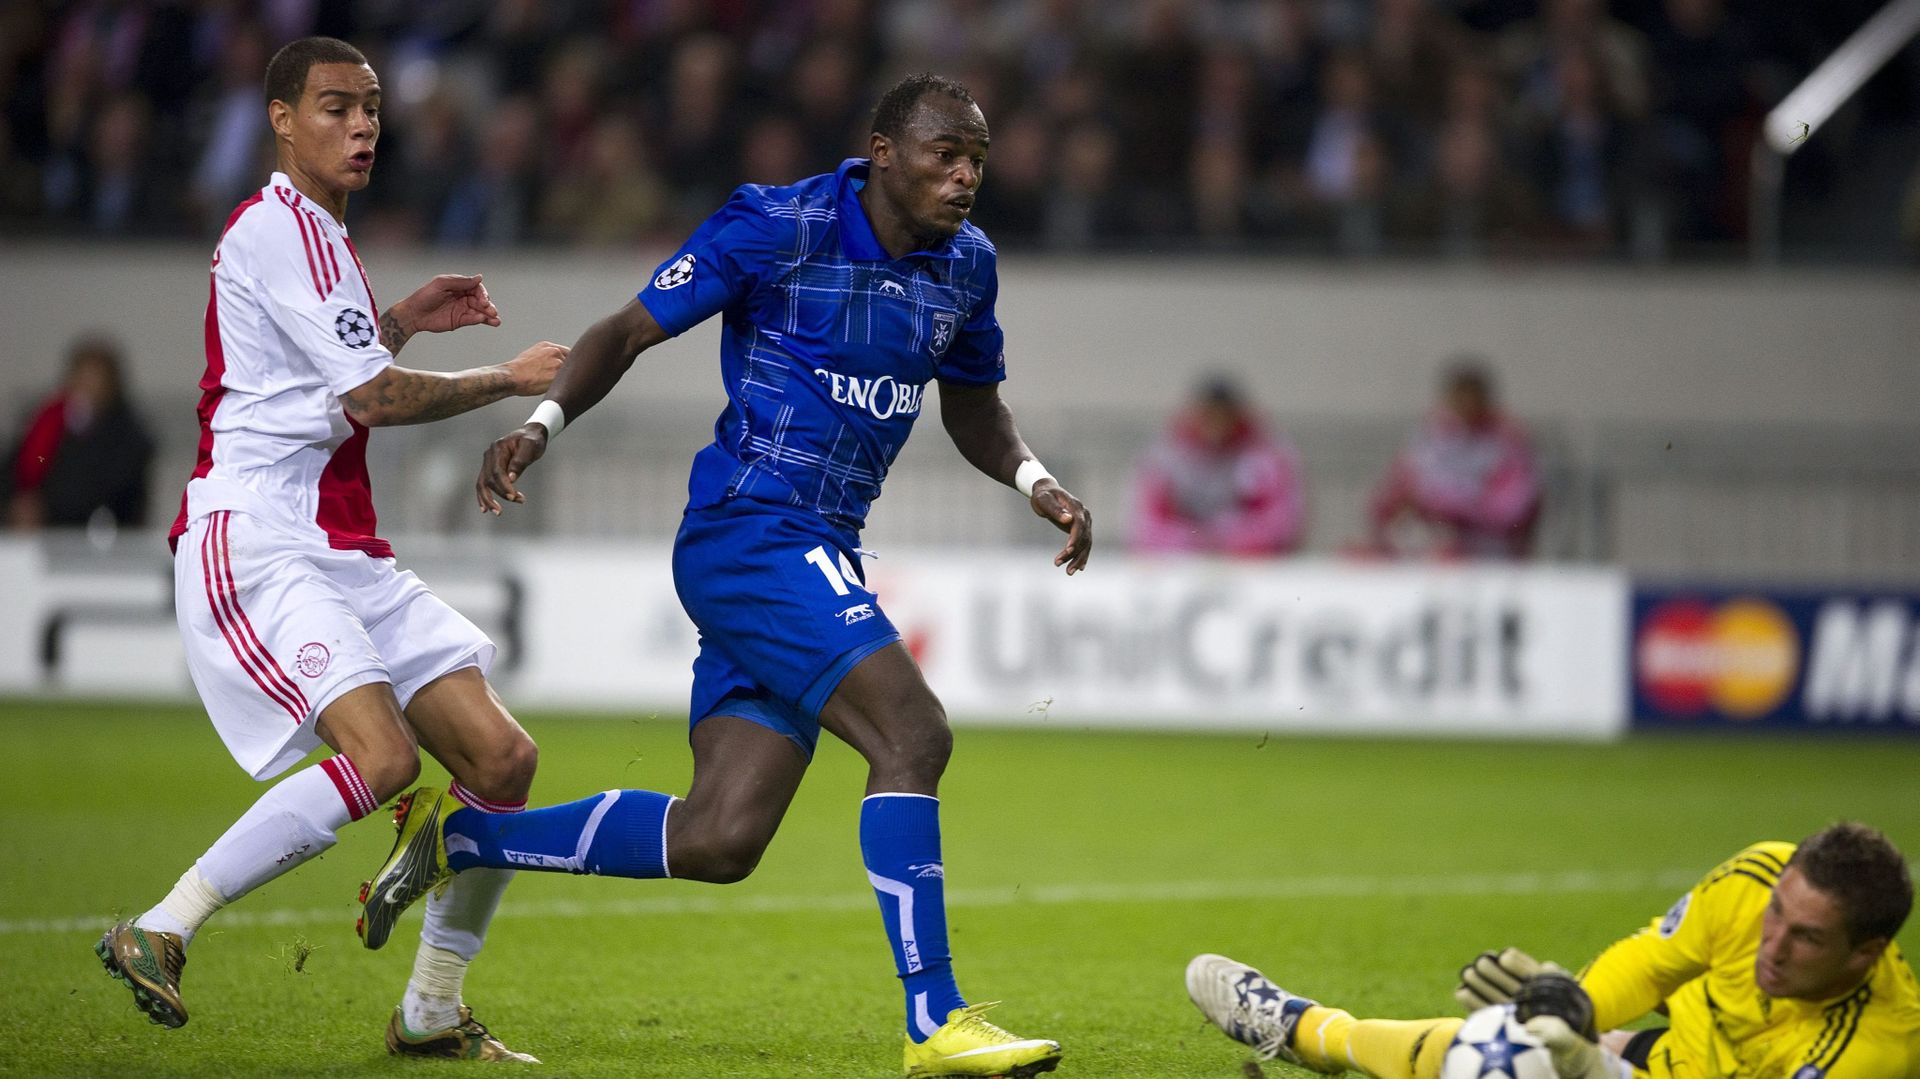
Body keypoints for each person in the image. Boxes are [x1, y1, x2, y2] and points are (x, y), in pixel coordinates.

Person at [358, 72, 1090, 1079]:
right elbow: (623, 330)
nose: (965, 177)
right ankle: (936, 1019)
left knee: (721, 835)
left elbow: (973, 408)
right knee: (913, 733)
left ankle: (474, 843)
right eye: (944, 155)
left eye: (978, 160)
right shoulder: (777, 226)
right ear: (883, 150)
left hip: (820, 543)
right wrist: (537, 426)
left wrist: (1037, 480)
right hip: (749, 530)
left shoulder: (965, 268)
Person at [92, 37, 567, 1063]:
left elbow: (321, 380)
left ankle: (432, 1009)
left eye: (371, 110)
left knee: (502, 757)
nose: (360, 128)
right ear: (279, 119)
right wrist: (509, 375)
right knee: (385, 755)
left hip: (334, 540)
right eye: (334, 108)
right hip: (256, 533)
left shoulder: (321, 241)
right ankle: (162, 924)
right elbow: (366, 400)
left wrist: (399, 318)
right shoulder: (280, 230)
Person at [1186, 821, 1920, 1079]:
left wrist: (1589, 1067)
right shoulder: (1756, 877)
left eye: (1807, 937)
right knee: (1509, 1048)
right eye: (1778, 914)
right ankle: (1308, 1028)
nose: (1774, 943)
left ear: (1865, 954)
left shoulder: (1878, 1050)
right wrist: (1578, 1009)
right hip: (1677, 1053)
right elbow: (1655, 958)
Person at [1368, 358, 1540, 559]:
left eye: (1472, 398)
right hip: (1432, 546)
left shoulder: (1507, 442)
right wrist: (1398, 506)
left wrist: (1447, 506)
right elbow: (1392, 494)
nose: (1466, 405)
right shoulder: (1429, 437)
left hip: (1489, 552)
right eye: (1460, 398)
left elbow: (1510, 509)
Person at [1131, 375, 1306, 557]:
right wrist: (1192, 542)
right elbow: (1146, 525)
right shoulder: (1166, 456)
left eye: (1224, 414)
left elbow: (1281, 522)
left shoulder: (1266, 455)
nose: (1217, 423)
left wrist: (1229, 540)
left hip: (1249, 565)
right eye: (1210, 414)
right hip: (1179, 565)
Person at [3, 333, 154, 530]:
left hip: (101, 540)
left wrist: (47, 507)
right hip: (43, 536)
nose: (87, 385)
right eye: (81, 375)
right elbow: (30, 462)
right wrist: (20, 502)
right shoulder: (47, 424)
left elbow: (108, 490)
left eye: (96, 377)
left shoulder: (128, 437)